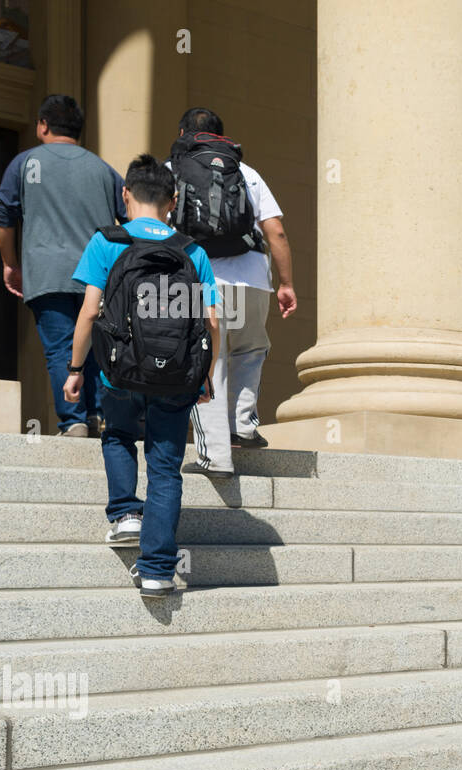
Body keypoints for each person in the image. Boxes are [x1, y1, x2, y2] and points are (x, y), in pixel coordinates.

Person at [65, 155, 220, 598]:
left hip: (119, 373)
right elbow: (211, 323)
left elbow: (90, 312)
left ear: (126, 195)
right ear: (172, 202)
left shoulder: (106, 242)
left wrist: (76, 369)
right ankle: (155, 571)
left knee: (117, 435)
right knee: (167, 467)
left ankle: (126, 515)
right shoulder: (193, 251)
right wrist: (205, 375)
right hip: (177, 378)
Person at [170, 107, 297, 476]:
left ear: (183, 133)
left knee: (207, 362)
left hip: (204, 279)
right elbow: (276, 232)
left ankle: (215, 458)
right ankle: (242, 427)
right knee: (250, 350)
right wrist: (286, 284)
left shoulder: (172, 168)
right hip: (254, 279)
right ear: (222, 137)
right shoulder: (245, 172)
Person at [0, 94, 125, 437]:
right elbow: (129, 217)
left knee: (60, 348)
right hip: (98, 274)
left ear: (43, 125)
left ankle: (73, 420)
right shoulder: (103, 170)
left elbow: (3, 215)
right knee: (95, 347)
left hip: (47, 272)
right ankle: (96, 416)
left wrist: (10, 263)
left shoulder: (24, 163)